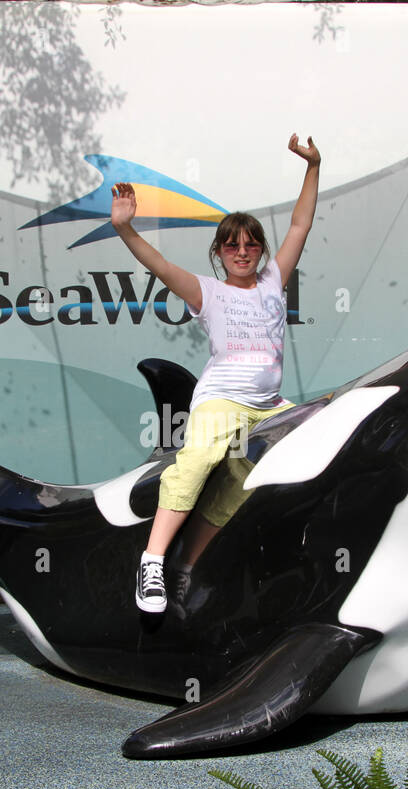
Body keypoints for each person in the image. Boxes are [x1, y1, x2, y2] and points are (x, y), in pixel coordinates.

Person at [110, 134, 321, 612]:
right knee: (200, 459)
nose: (242, 252)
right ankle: (152, 562)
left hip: (269, 408)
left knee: (245, 484)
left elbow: (301, 225)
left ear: (261, 252)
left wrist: (313, 167)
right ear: (219, 253)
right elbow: (159, 264)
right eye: (232, 246)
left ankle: (188, 568)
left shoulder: (272, 281)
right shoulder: (207, 291)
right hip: (222, 401)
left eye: (250, 245)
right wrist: (125, 229)